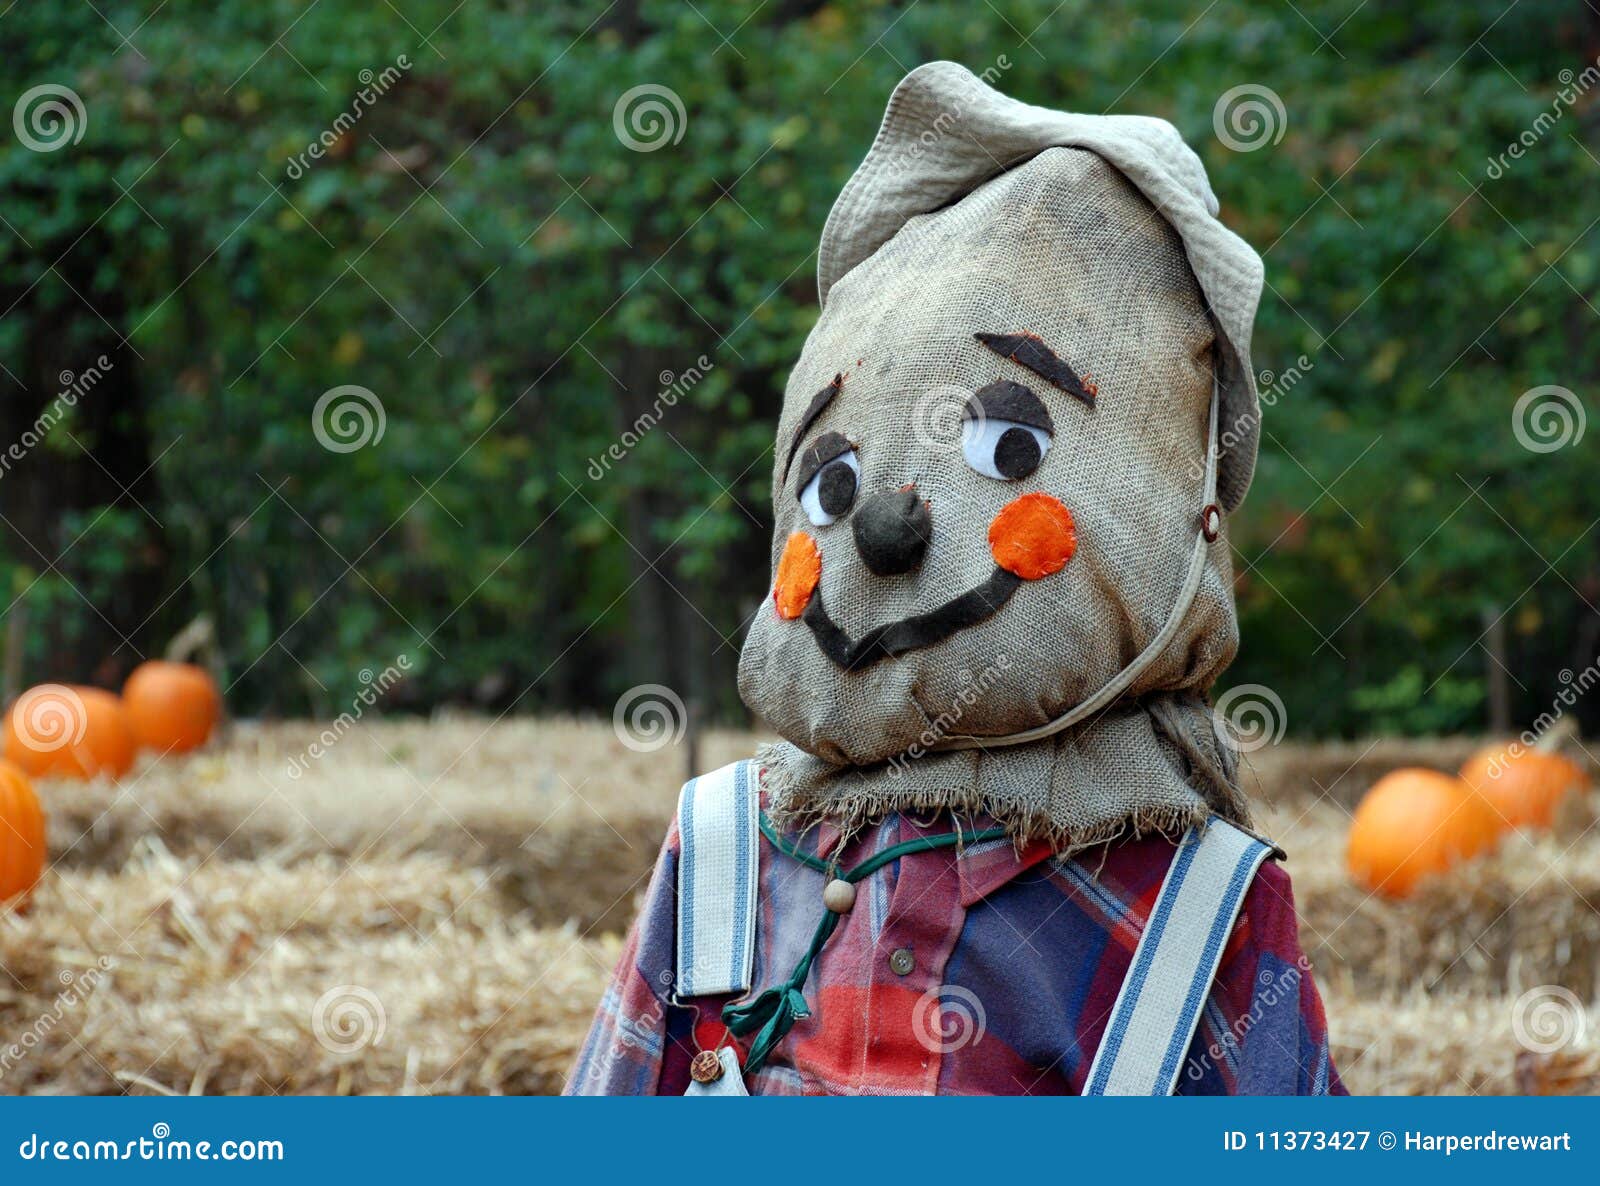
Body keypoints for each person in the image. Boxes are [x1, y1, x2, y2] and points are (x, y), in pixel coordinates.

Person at [567, 60, 1342, 1097]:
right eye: (831, 482)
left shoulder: (1195, 908)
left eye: (1011, 448)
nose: (884, 527)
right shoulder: (721, 857)